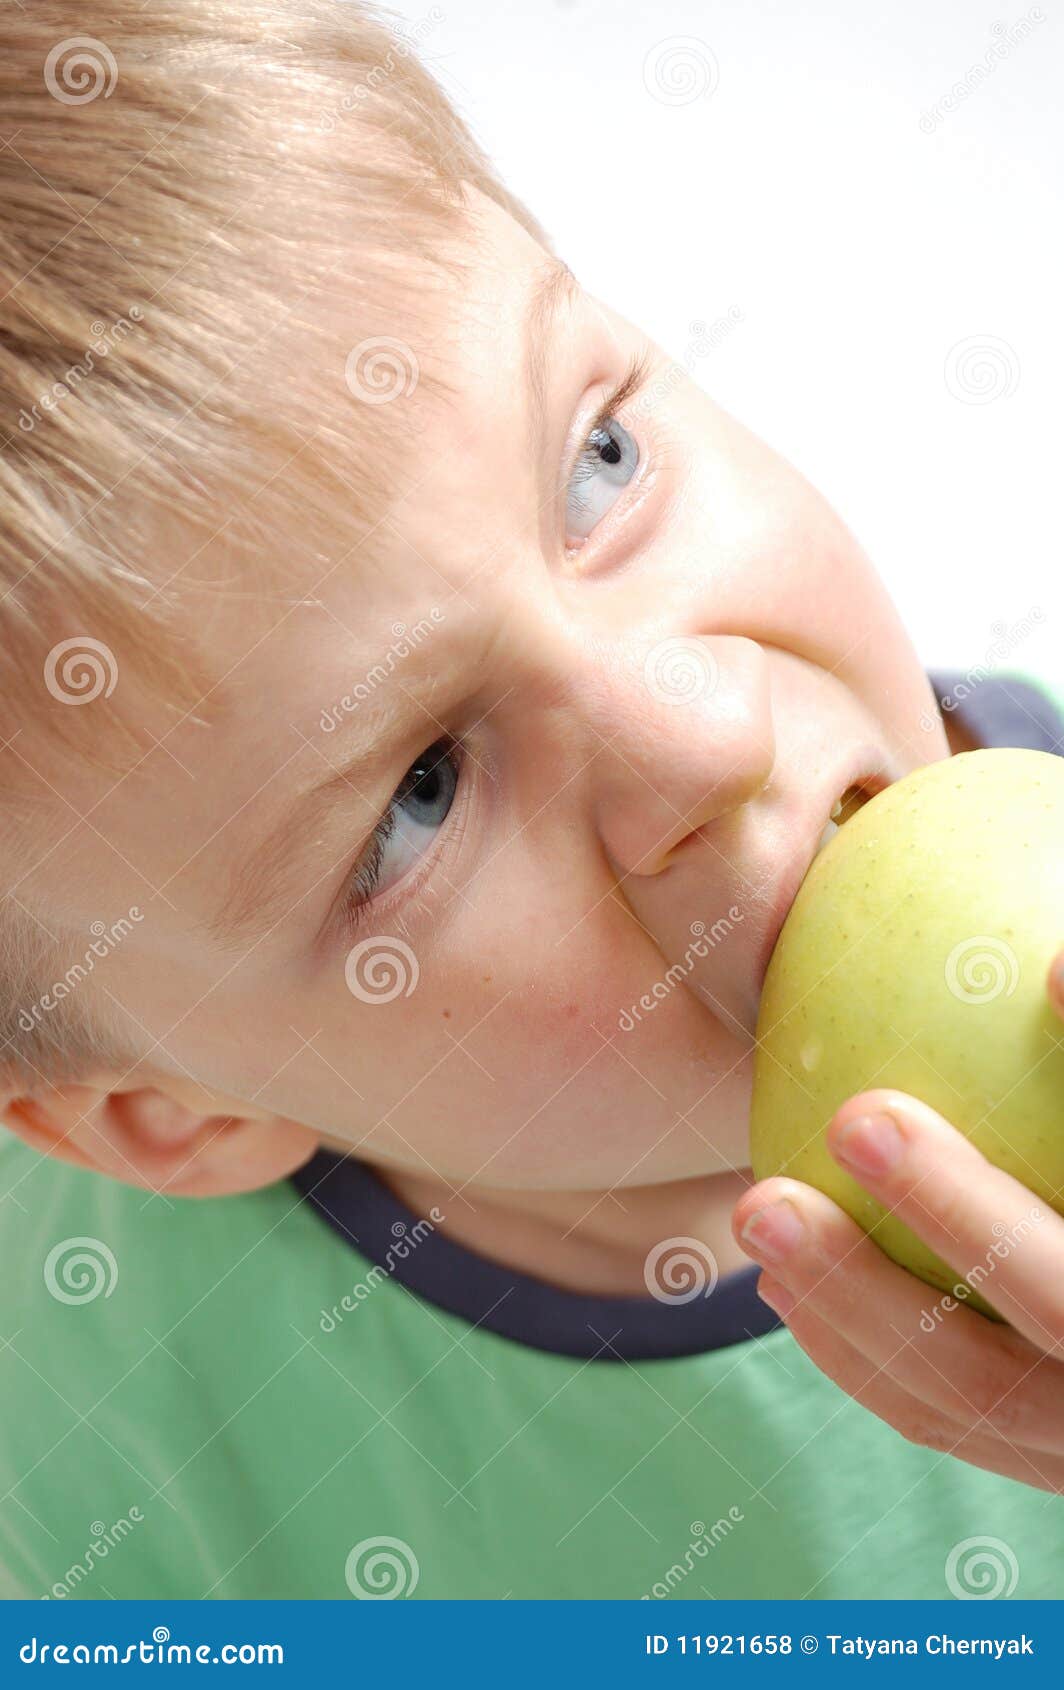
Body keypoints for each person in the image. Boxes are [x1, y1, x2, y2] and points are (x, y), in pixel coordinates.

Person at [1, 0, 1061, 1600]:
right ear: (176, 1114)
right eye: (418, 797)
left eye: (599, 463)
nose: (701, 732)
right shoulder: (87, 1460)